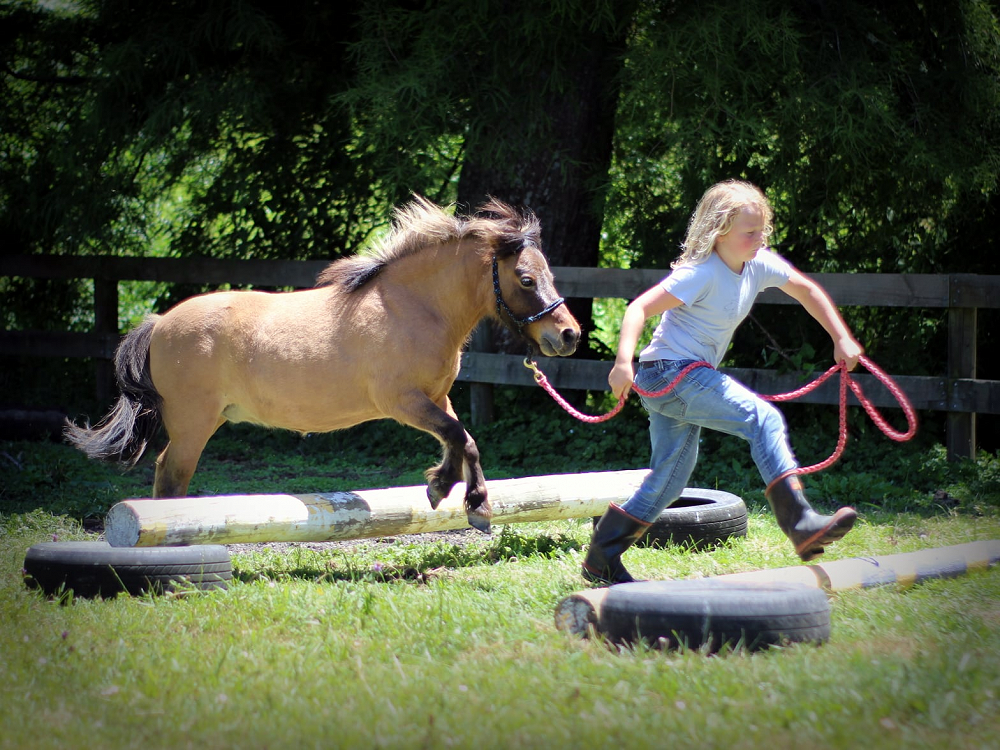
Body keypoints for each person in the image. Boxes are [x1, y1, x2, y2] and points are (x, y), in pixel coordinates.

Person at [583, 179, 863, 585]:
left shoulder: (758, 264)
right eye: (750, 232)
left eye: (762, 230)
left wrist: (841, 336)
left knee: (670, 477)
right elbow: (639, 307)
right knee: (762, 419)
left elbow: (805, 289)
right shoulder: (702, 273)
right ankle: (800, 521)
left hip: (680, 379)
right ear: (720, 232)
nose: (758, 239)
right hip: (671, 374)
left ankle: (600, 559)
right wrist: (622, 361)